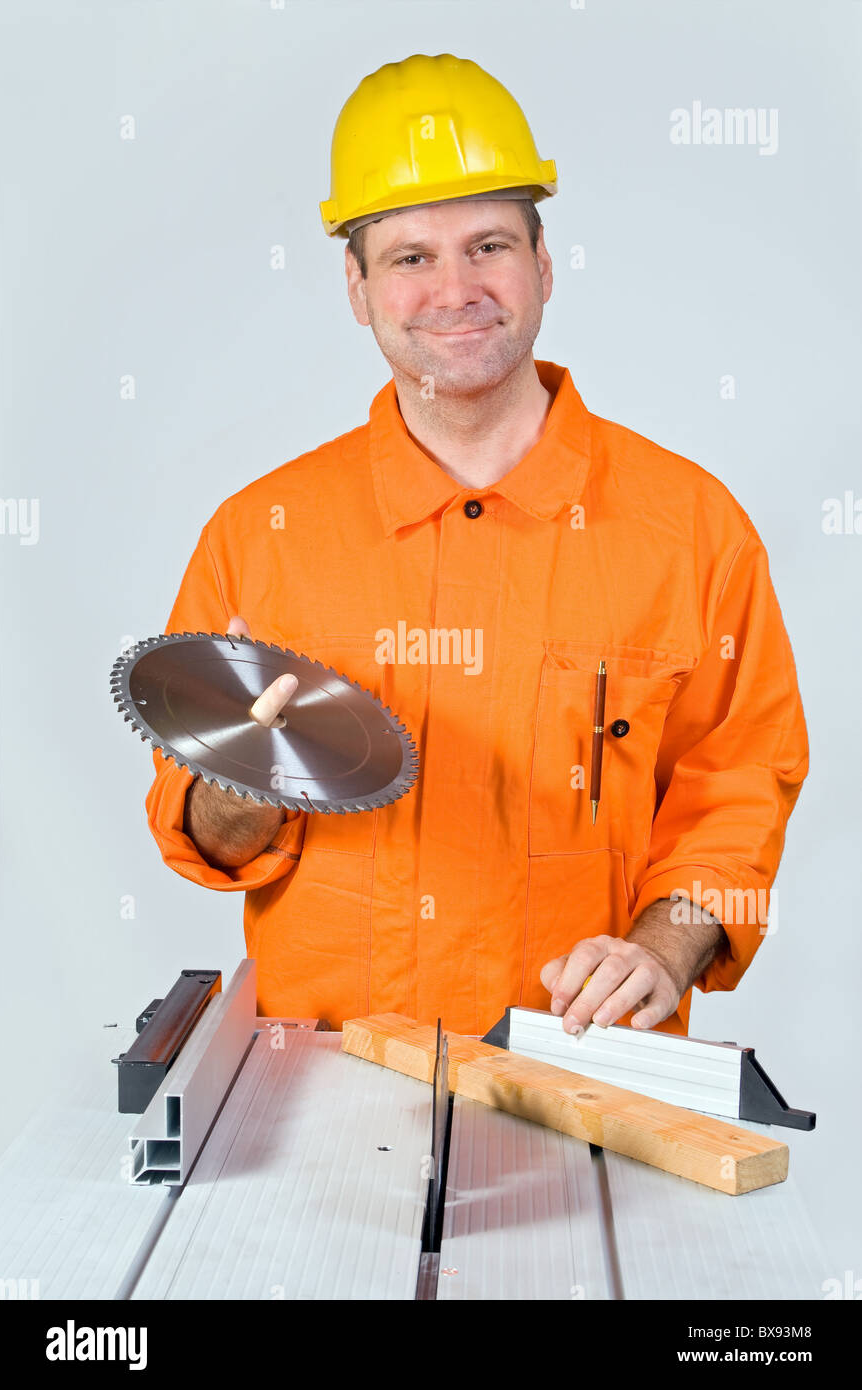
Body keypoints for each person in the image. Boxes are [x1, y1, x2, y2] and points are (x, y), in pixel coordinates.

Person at [146, 53, 808, 1037]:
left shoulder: (690, 527)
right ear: (357, 287)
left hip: (585, 1080)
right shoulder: (259, 536)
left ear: (541, 265)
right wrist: (245, 779)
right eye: (410, 257)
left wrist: (662, 952)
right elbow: (203, 834)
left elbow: (739, 780)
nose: (454, 289)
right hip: (324, 1086)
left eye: (486, 245)